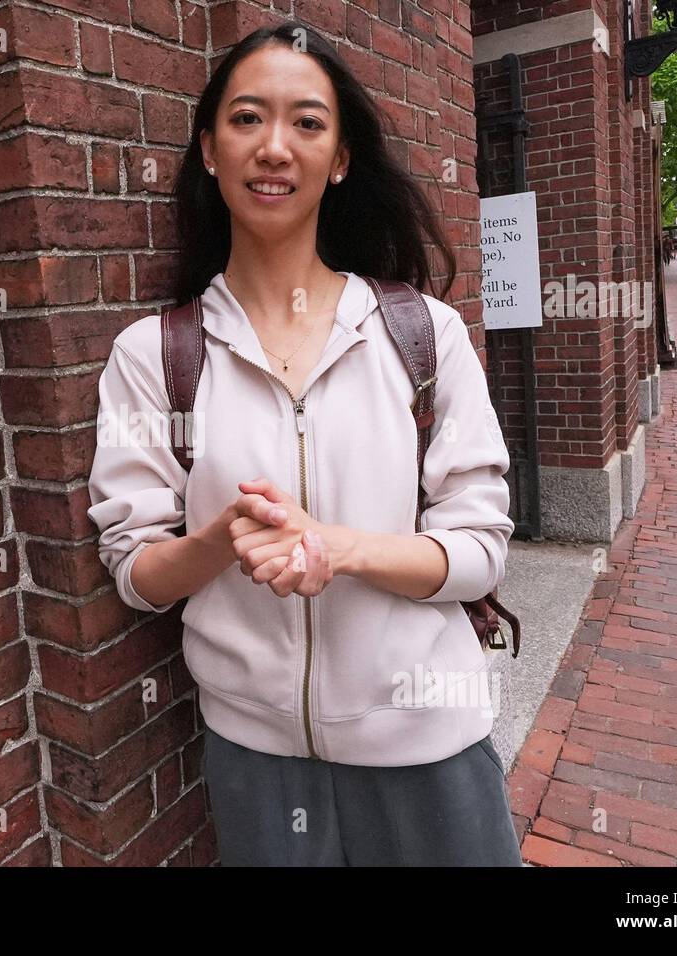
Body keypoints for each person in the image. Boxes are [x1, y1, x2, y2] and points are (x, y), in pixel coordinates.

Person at [86, 20, 522, 867]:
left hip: (425, 745)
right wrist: (217, 541)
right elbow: (135, 572)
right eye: (247, 119)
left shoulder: (421, 335)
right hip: (257, 764)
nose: (274, 148)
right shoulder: (154, 355)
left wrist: (340, 548)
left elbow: (480, 552)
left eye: (307, 123)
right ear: (209, 149)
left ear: (342, 157)